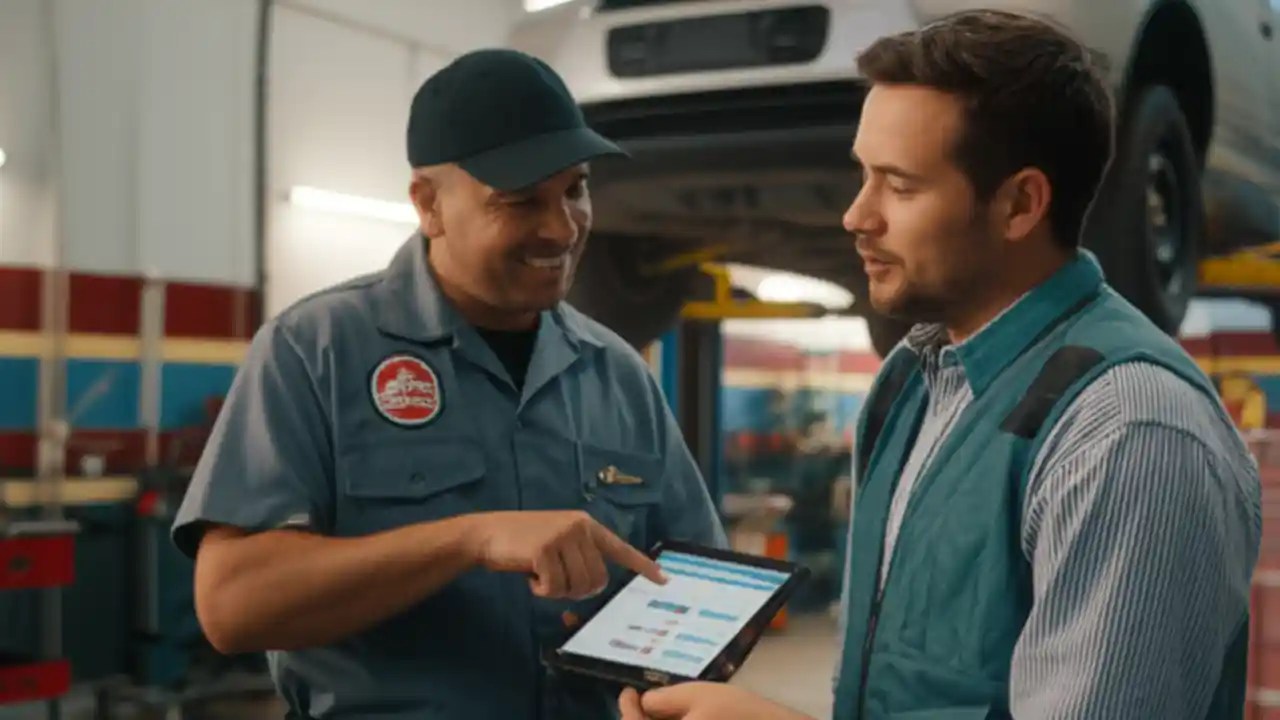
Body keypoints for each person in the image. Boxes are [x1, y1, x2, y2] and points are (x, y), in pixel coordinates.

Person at [620, 10, 1261, 720]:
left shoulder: (1128, 433)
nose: (856, 216)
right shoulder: (910, 385)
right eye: (863, 176)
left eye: (899, 186)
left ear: (1020, 204)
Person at [171, 48, 726, 719]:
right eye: (521, 201)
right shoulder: (314, 350)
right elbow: (232, 606)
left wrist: (655, 648)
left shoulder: (616, 371)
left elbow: (697, 586)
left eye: (575, 190)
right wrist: (470, 539)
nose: (561, 227)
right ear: (429, 204)